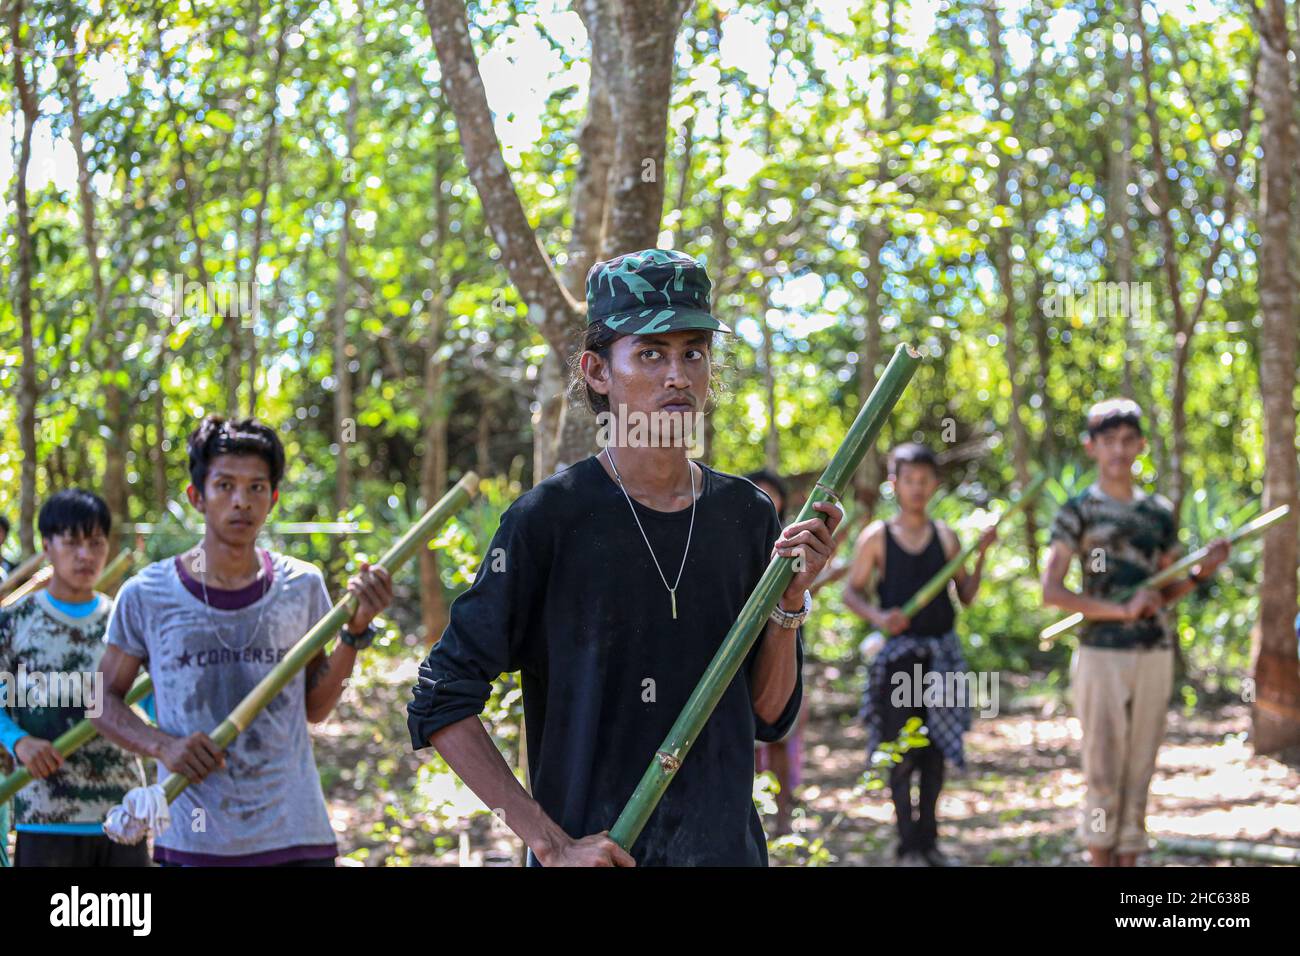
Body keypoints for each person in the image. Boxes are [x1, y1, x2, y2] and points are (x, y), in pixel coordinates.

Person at [406, 248, 841, 866]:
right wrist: (551, 845)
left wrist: (791, 599)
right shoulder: (548, 521)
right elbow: (441, 699)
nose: (677, 376)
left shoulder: (746, 515)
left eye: (693, 352)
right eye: (651, 353)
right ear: (597, 372)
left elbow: (768, 716)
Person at [92, 416, 393, 866]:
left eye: (256, 488)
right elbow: (99, 701)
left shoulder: (302, 586)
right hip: (195, 845)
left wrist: (353, 632)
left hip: (296, 837)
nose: (241, 502)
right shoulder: (147, 595)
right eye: (225, 486)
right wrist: (163, 746)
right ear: (197, 497)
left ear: (272, 499)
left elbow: (315, 707)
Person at [1041, 398, 1229, 867]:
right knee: (1103, 771)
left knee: (1140, 768)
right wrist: (1117, 611)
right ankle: (1100, 857)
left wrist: (1203, 572)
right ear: (1092, 447)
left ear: (1141, 444)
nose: (1119, 451)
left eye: (1128, 441)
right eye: (1108, 442)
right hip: (1101, 655)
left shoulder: (1158, 513)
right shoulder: (1077, 511)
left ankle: (1130, 863)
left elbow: (1165, 589)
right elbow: (1052, 591)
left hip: (1154, 651)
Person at [843, 443, 996, 866]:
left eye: (924, 481)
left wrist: (981, 553)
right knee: (900, 751)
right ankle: (906, 840)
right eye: (908, 480)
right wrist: (879, 615)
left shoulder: (947, 536)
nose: (916, 488)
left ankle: (928, 839)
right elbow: (850, 591)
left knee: (935, 752)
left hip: (941, 657)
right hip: (898, 661)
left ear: (934, 485)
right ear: (895, 484)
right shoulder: (877, 537)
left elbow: (965, 595)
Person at [0, 489, 149, 866]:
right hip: (45, 817)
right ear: (47, 547)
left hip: (123, 814)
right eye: (72, 543)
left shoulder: (126, 621)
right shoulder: (14, 623)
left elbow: (156, 700)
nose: (86, 555)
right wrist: (18, 742)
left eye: (96, 543)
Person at [745, 468, 808, 836]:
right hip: (742, 657)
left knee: (781, 736)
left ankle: (784, 815)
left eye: (771, 495)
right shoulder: (731, 539)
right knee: (750, 747)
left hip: (788, 645)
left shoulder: (790, 543)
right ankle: (754, 813)